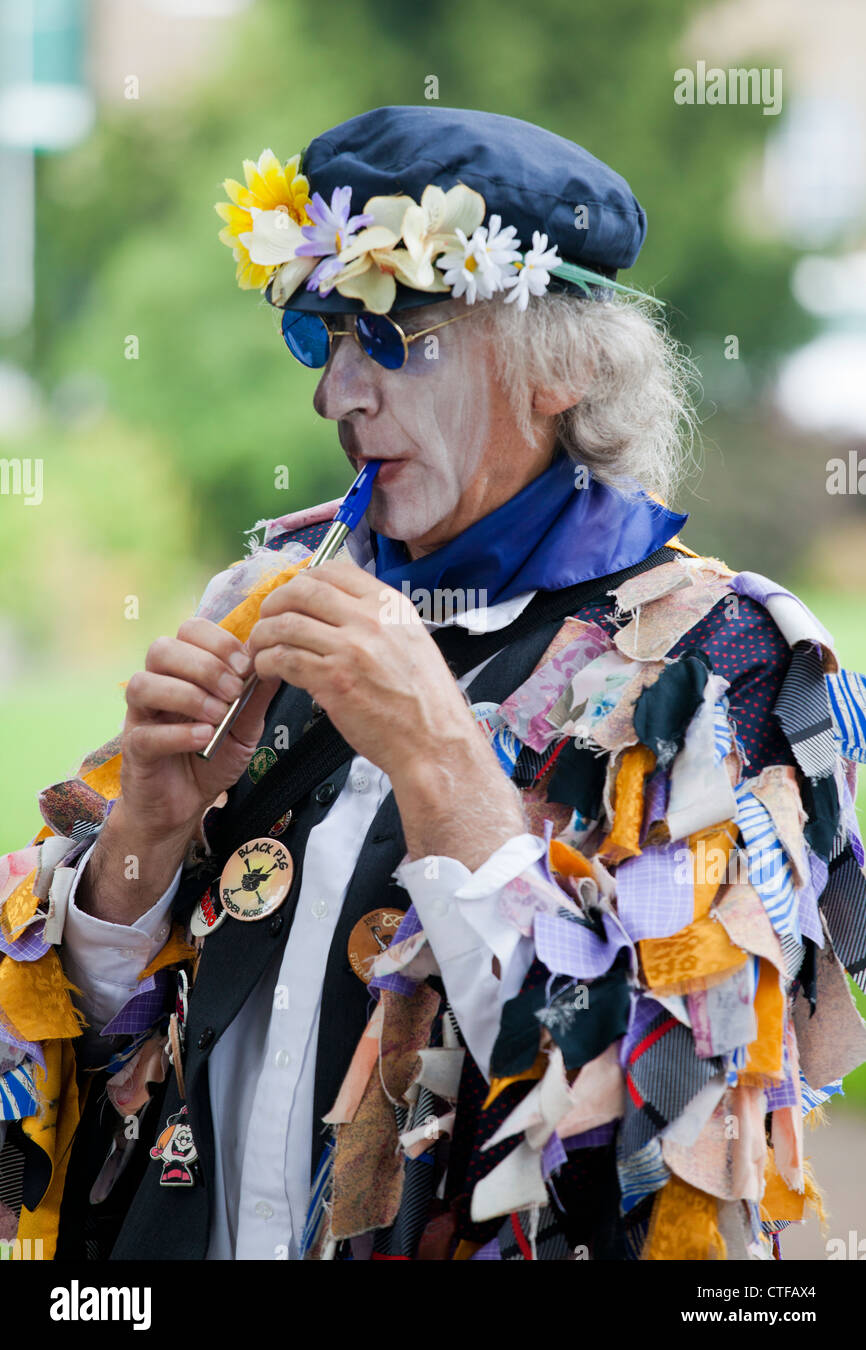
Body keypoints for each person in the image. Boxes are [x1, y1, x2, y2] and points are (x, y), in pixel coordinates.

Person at [2, 106, 865, 1263]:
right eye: (321, 339)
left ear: (557, 366)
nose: (336, 397)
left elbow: (665, 1138)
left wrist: (440, 763)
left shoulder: (719, 654)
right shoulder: (261, 602)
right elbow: (83, 1076)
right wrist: (138, 853)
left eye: (395, 337)